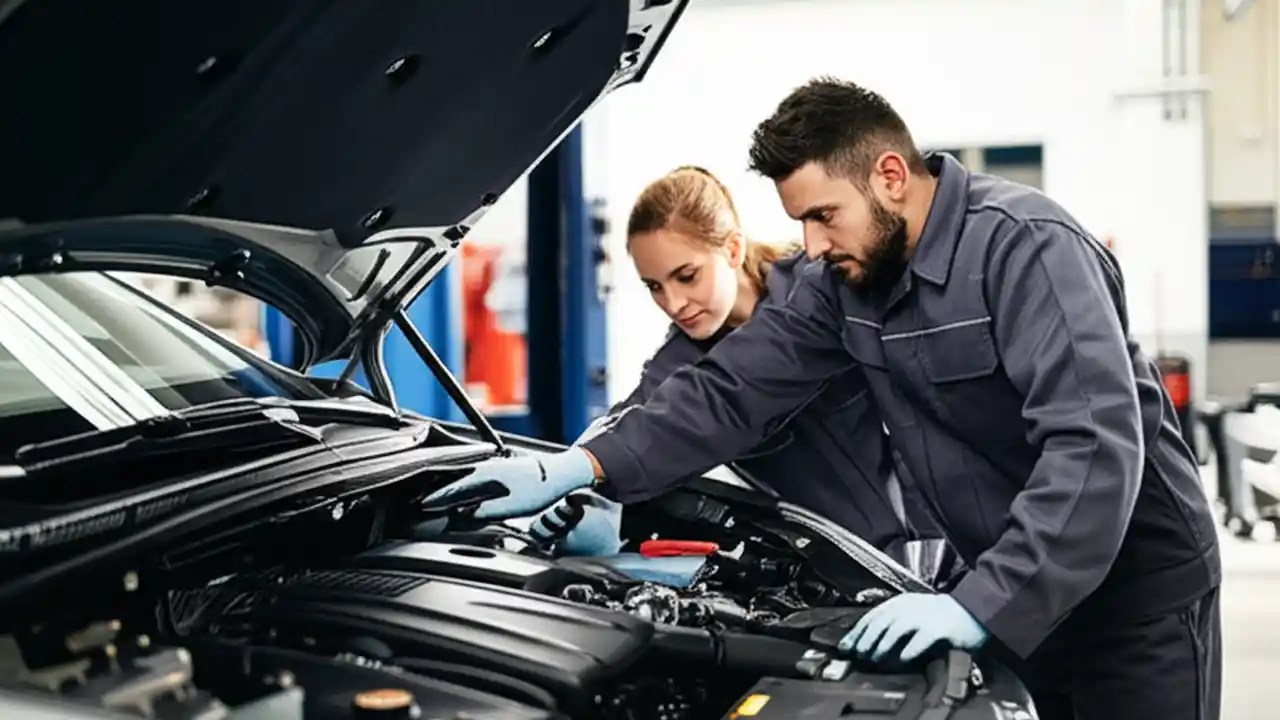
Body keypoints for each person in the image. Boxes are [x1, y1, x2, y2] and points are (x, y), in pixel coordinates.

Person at [425, 77, 1222, 719]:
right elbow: (732, 390)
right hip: (1009, 581)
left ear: (889, 175)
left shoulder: (1028, 250)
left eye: (821, 216)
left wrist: (983, 602)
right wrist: (588, 463)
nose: (809, 244)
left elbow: (1092, 448)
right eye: (798, 222)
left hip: (1132, 590)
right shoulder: (840, 284)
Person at [526, 165, 936, 563]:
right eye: (655, 287)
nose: (673, 303)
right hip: (840, 570)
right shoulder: (682, 362)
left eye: (686, 276)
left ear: (733, 249)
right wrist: (582, 491)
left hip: (943, 540)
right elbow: (633, 423)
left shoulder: (827, 292)